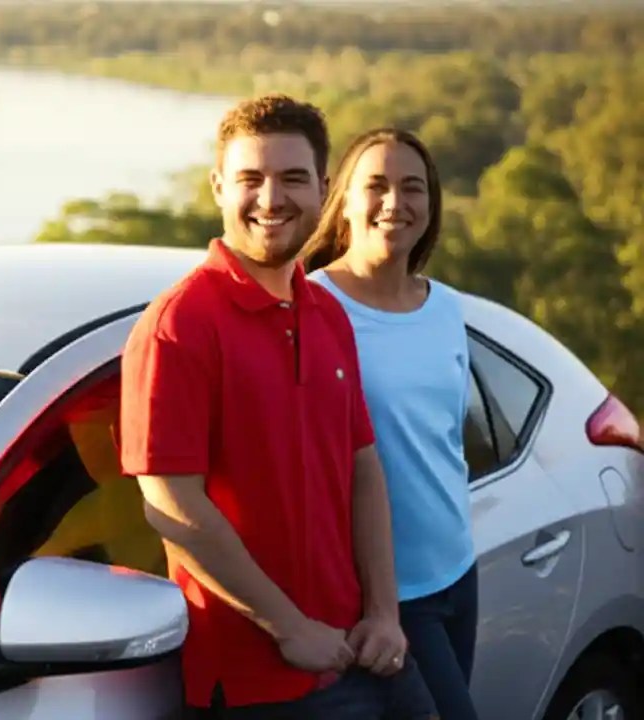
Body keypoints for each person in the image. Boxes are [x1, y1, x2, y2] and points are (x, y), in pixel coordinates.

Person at [119, 94, 438, 719]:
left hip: (364, 650)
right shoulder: (178, 326)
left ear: (323, 188)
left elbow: (362, 469)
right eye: (250, 179)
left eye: (292, 178)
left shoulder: (327, 314)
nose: (270, 199)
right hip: (258, 680)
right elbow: (171, 505)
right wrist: (288, 627)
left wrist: (383, 613)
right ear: (217, 187)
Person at [302, 128, 479, 720]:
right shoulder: (313, 308)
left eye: (412, 188)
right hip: (383, 597)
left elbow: (446, 441)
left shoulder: (447, 309)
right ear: (344, 201)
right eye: (375, 186)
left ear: (430, 207)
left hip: (458, 572)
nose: (394, 203)